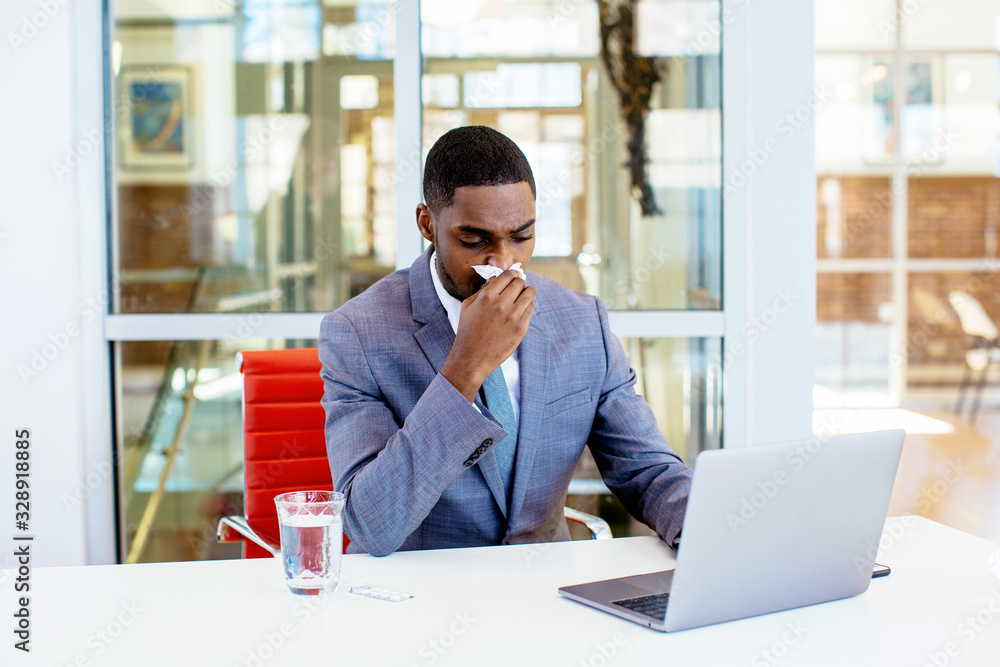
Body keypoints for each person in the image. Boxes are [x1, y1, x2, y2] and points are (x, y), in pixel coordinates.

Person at [319, 126, 692, 556]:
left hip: (548, 592)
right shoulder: (357, 333)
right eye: (474, 241)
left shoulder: (582, 322)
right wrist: (466, 368)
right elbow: (370, 525)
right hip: (422, 599)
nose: (503, 263)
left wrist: (709, 532)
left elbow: (648, 472)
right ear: (427, 224)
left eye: (521, 236)